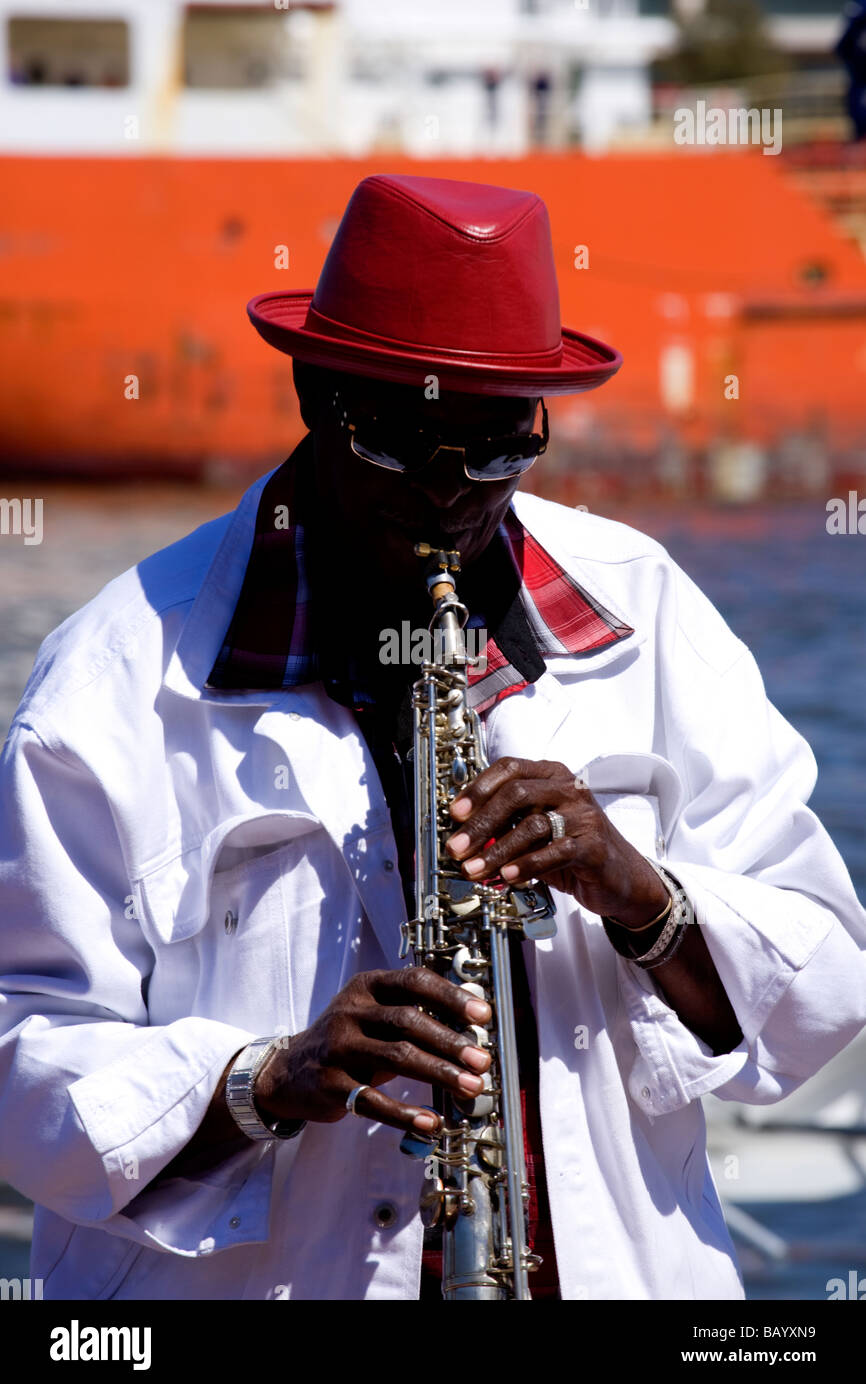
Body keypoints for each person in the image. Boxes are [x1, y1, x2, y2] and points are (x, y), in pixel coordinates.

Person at [0, 173, 864, 1302]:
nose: (450, 499)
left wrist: (639, 895)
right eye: (404, 446)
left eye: (497, 450)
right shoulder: (113, 676)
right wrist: (268, 1075)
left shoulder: (644, 608)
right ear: (317, 396)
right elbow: (23, 1053)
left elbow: (826, 978)